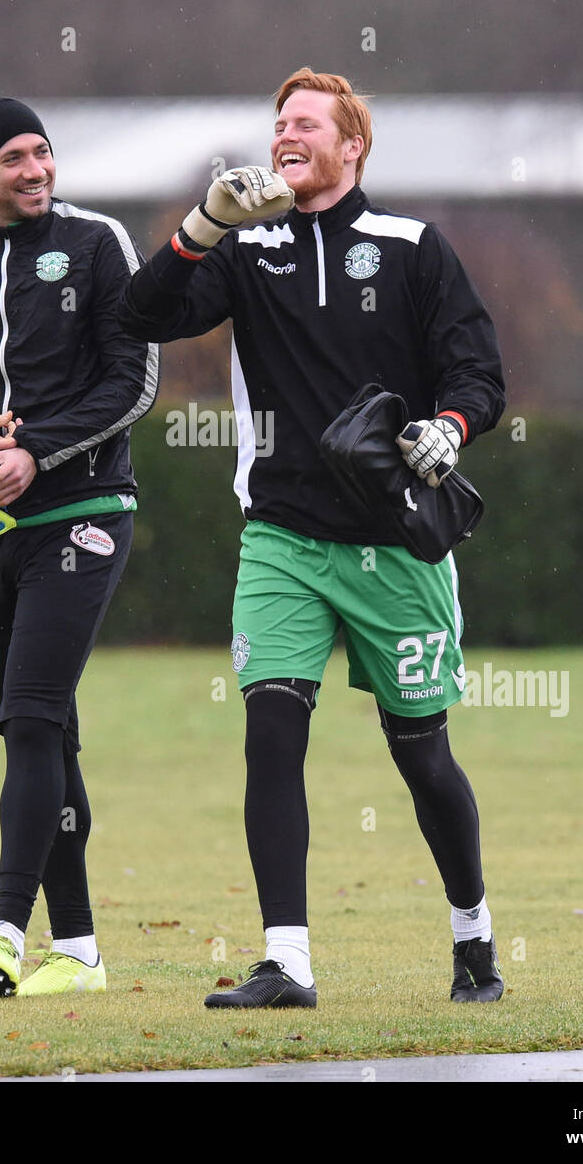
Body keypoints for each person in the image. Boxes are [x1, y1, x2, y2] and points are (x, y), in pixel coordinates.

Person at [117, 68, 505, 1009]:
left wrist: (446, 428)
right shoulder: (251, 251)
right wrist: (203, 224)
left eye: (305, 124)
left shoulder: (413, 248)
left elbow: (478, 374)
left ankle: (473, 935)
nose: (284, 135)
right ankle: (286, 962)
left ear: (352, 145)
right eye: (277, 123)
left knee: (421, 754)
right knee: (271, 733)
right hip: (282, 537)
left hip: (396, 544)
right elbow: (141, 317)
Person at [0, 97, 158, 998]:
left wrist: (37, 449)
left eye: (44, 152)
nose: (36, 169)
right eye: (14, 157)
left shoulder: (96, 243)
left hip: (83, 510)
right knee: (46, 736)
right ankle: (78, 950)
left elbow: (135, 381)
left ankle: (6, 929)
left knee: (33, 717)